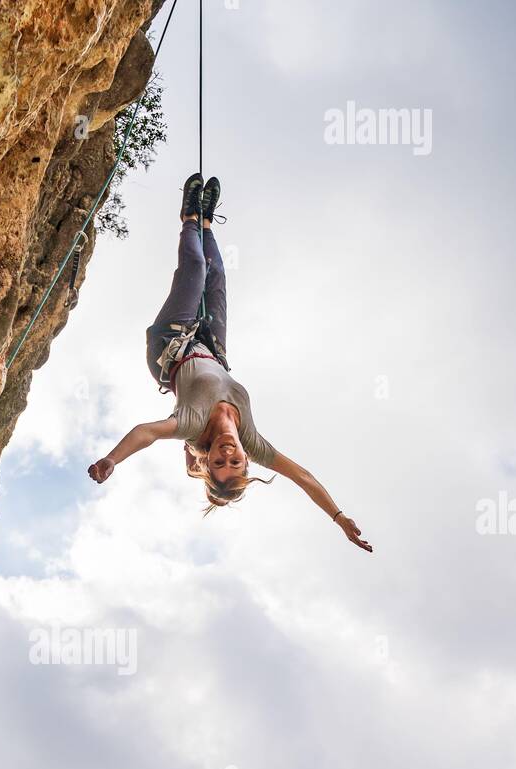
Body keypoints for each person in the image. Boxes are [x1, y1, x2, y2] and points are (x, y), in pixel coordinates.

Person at [88, 173, 373, 551]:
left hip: (172, 344)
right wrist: (339, 518)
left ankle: (189, 216)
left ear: (208, 464)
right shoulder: (253, 441)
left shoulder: (191, 428)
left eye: (219, 464)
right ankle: (206, 221)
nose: (227, 455)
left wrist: (112, 459)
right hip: (213, 349)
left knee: (194, 270)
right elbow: (302, 477)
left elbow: (147, 432)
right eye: (235, 463)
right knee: (217, 275)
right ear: (246, 462)